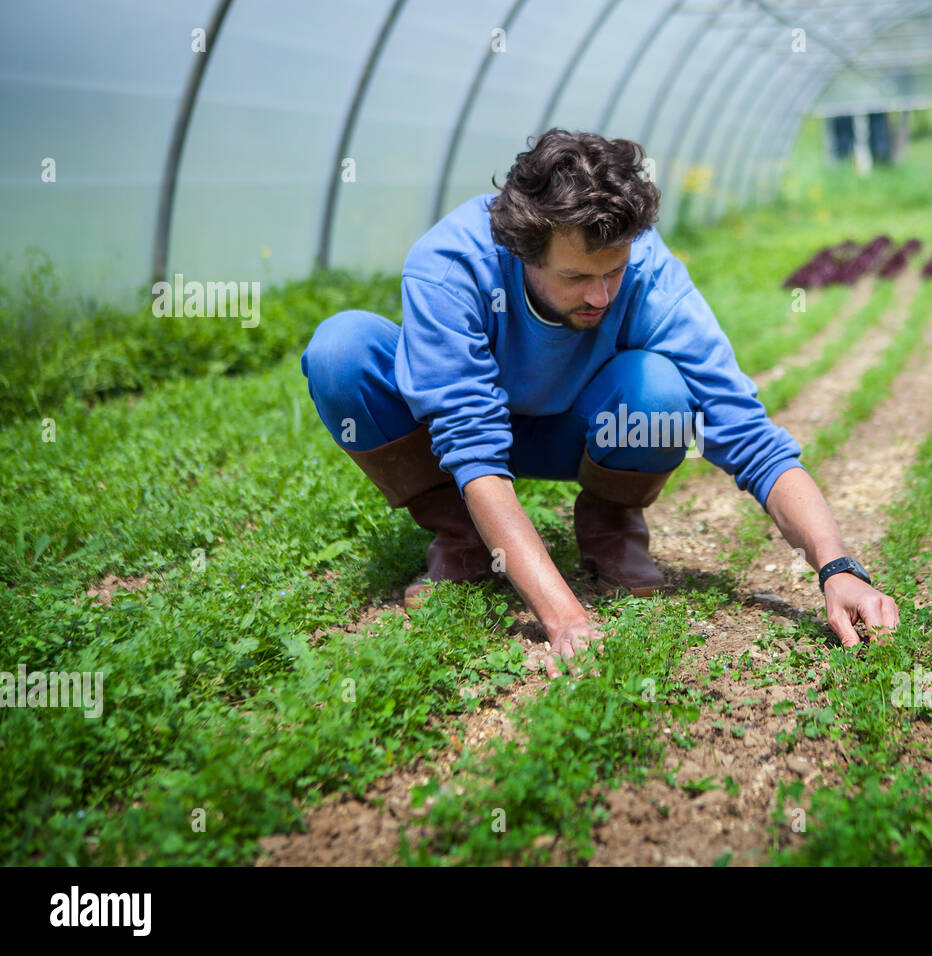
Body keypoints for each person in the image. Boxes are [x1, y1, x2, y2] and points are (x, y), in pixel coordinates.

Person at [301, 129, 899, 677]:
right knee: (340, 350)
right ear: (522, 250)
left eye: (614, 270)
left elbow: (747, 431)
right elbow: (472, 445)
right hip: (470, 437)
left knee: (659, 392)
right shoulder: (449, 267)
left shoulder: (650, 274)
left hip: (578, 428)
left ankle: (611, 524)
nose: (601, 294)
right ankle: (463, 539)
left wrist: (836, 567)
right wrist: (564, 618)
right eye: (575, 277)